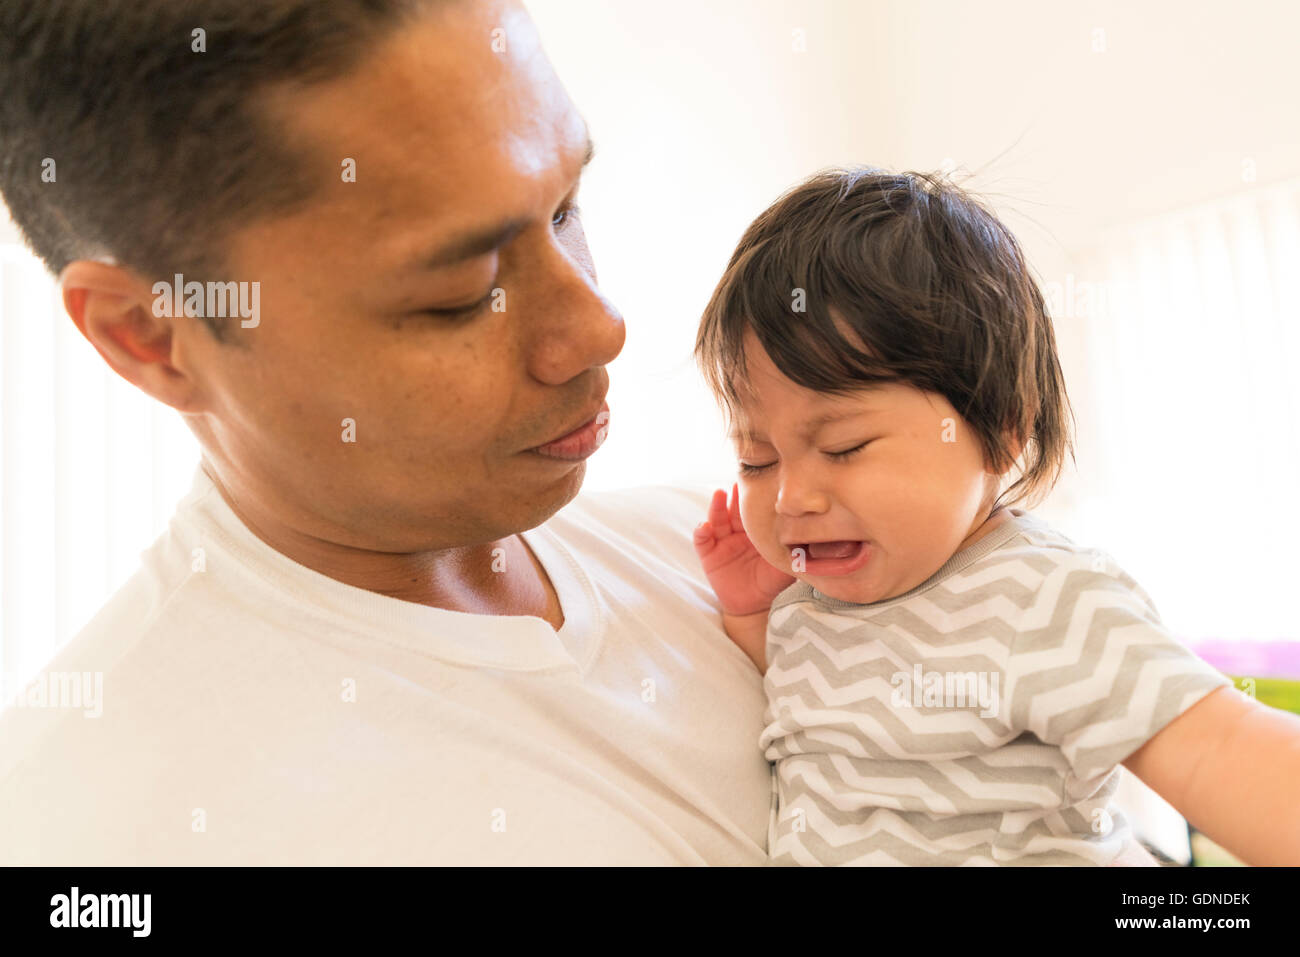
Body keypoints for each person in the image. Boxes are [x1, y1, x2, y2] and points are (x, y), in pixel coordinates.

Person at [0, 0, 770, 864]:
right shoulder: (86, 831)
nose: (599, 328)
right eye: (462, 291)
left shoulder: (733, 563)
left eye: (564, 210)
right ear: (148, 331)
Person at [690, 168, 1300, 865]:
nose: (791, 497)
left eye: (844, 446)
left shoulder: (1045, 600)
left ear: (1001, 428)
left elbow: (1222, 748)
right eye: (756, 459)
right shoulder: (808, 608)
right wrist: (749, 612)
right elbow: (820, 703)